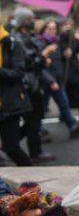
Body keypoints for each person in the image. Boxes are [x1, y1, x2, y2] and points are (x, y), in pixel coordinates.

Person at [9, 8, 54, 163]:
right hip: (28, 87)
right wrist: (45, 55)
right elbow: (28, 63)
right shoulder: (18, 39)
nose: (34, 22)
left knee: (34, 119)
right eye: (30, 19)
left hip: (35, 84)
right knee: (32, 120)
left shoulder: (29, 37)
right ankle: (34, 152)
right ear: (23, 22)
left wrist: (43, 59)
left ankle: (9, 144)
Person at [35, 19, 79, 138]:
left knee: (64, 104)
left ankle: (73, 127)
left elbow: (62, 59)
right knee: (42, 108)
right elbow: (40, 65)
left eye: (54, 28)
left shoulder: (57, 42)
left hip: (57, 79)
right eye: (49, 28)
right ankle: (37, 131)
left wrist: (68, 53)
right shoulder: (41, 43)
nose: (52, 31)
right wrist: (50, 80)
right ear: (44, 30)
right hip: (47, 81)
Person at [0, 17, 33, 166]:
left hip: (9, 104)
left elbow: (18, 73)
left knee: (11, 148)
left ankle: (33, 182)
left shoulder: (12, 44)